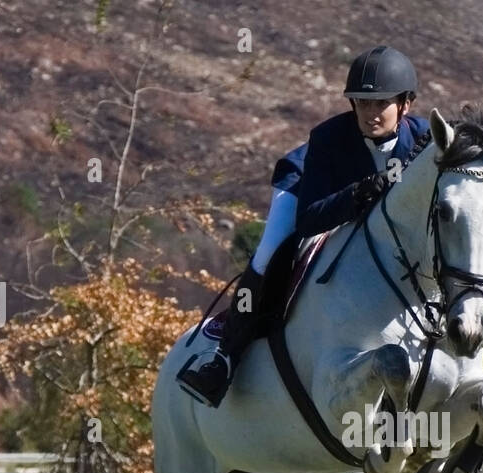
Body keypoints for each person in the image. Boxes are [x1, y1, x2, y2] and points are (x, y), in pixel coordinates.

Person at [180, 45, 431, 408]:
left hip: (358, 204)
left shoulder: (424, 141)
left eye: (381, 103)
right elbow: (312, 217)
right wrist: (359, 193)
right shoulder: (328, 138)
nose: (371, 113)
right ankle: (223, 359)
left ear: (406, 105)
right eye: (362, 103)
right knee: (270, 253)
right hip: (304, 191)